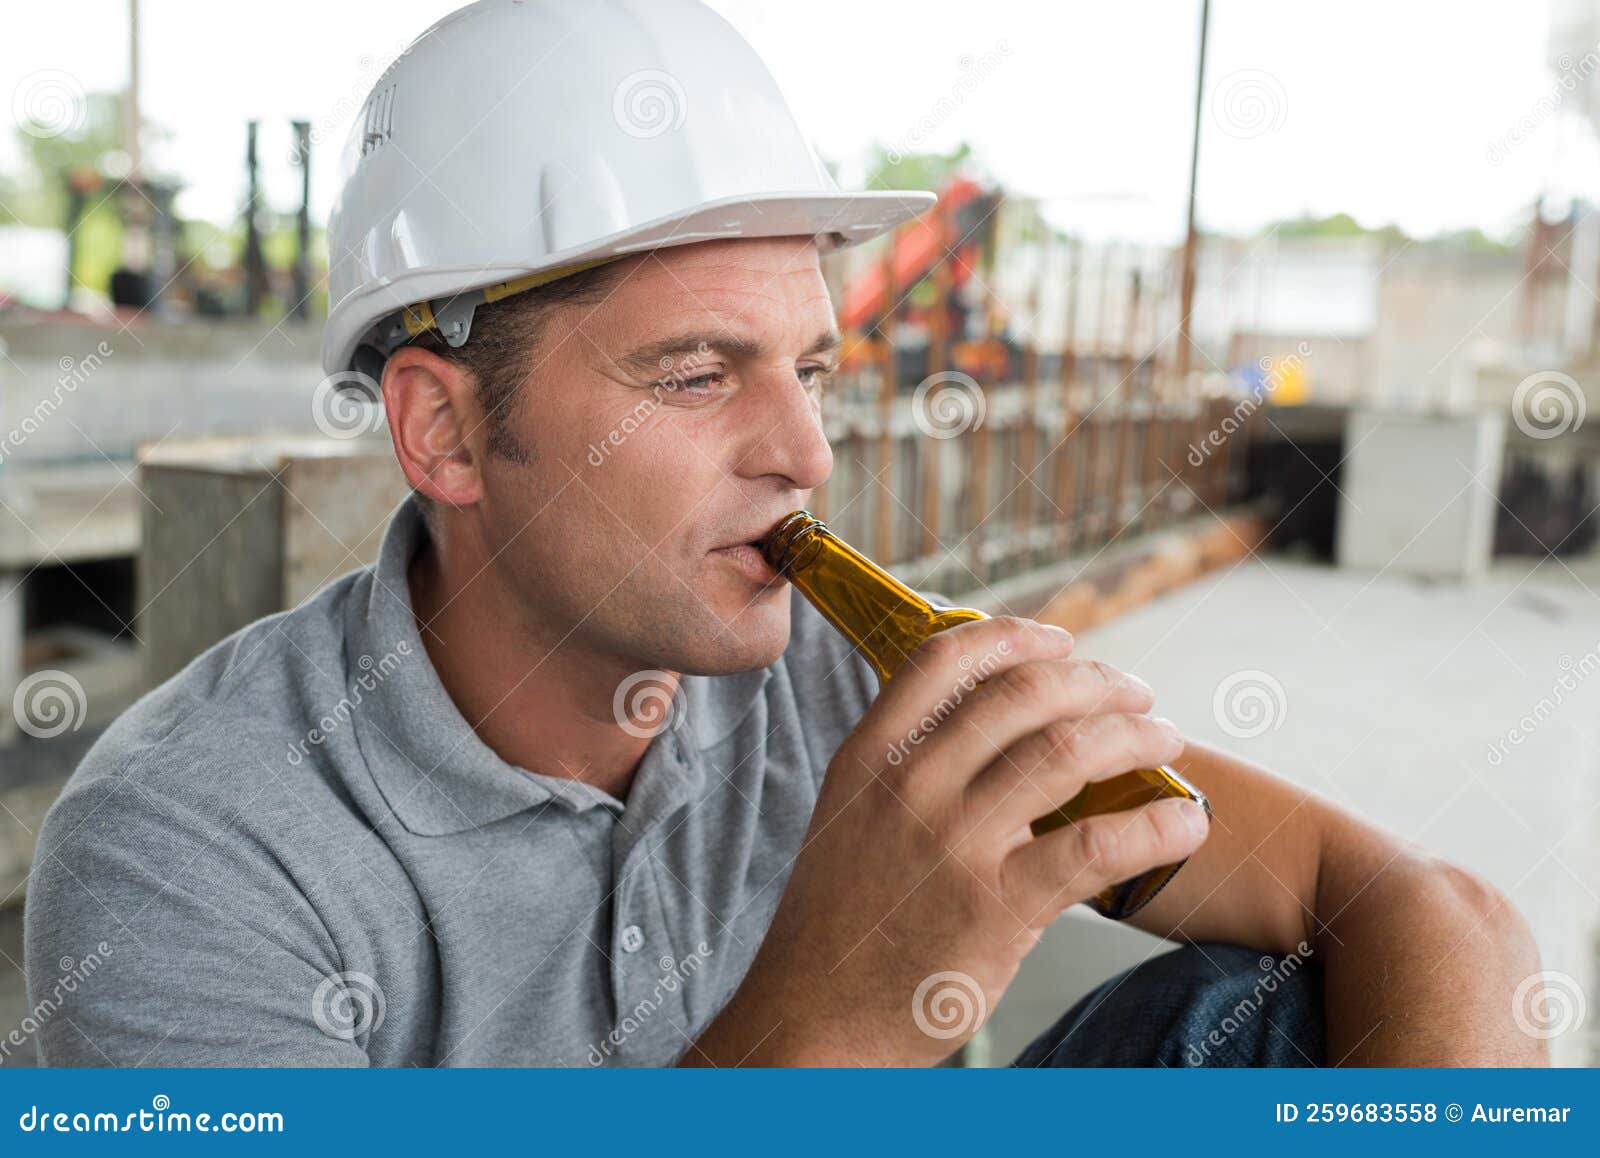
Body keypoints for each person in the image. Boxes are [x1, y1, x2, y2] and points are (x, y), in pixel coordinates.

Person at [26, 0, 1540, 1067]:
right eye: (695, 374)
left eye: (810, 368)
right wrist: (844, 1012)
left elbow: (1436, 908)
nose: (805, 450)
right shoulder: (185, 848)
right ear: (444, 429)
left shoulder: (855, 675)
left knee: (1269, 1014)